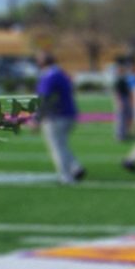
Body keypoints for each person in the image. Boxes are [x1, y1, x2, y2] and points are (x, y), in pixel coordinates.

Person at [34, 50, 85, 183]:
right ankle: (75, 167)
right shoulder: (60, 73)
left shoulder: (49, 76)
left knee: (56, 147)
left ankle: (66, 176)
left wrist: (37, 119)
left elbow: (44, 99)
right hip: (68, 114)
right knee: (62, 144)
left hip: (56, 116)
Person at [113, 58, 135, 143]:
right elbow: (117, 92)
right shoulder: (119, 79)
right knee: (121, 118)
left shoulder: (124, 78)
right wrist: (119, 102)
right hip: (123, 99)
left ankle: (125, 134)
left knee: (127, 118)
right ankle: (120, 135)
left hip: (126, 99)